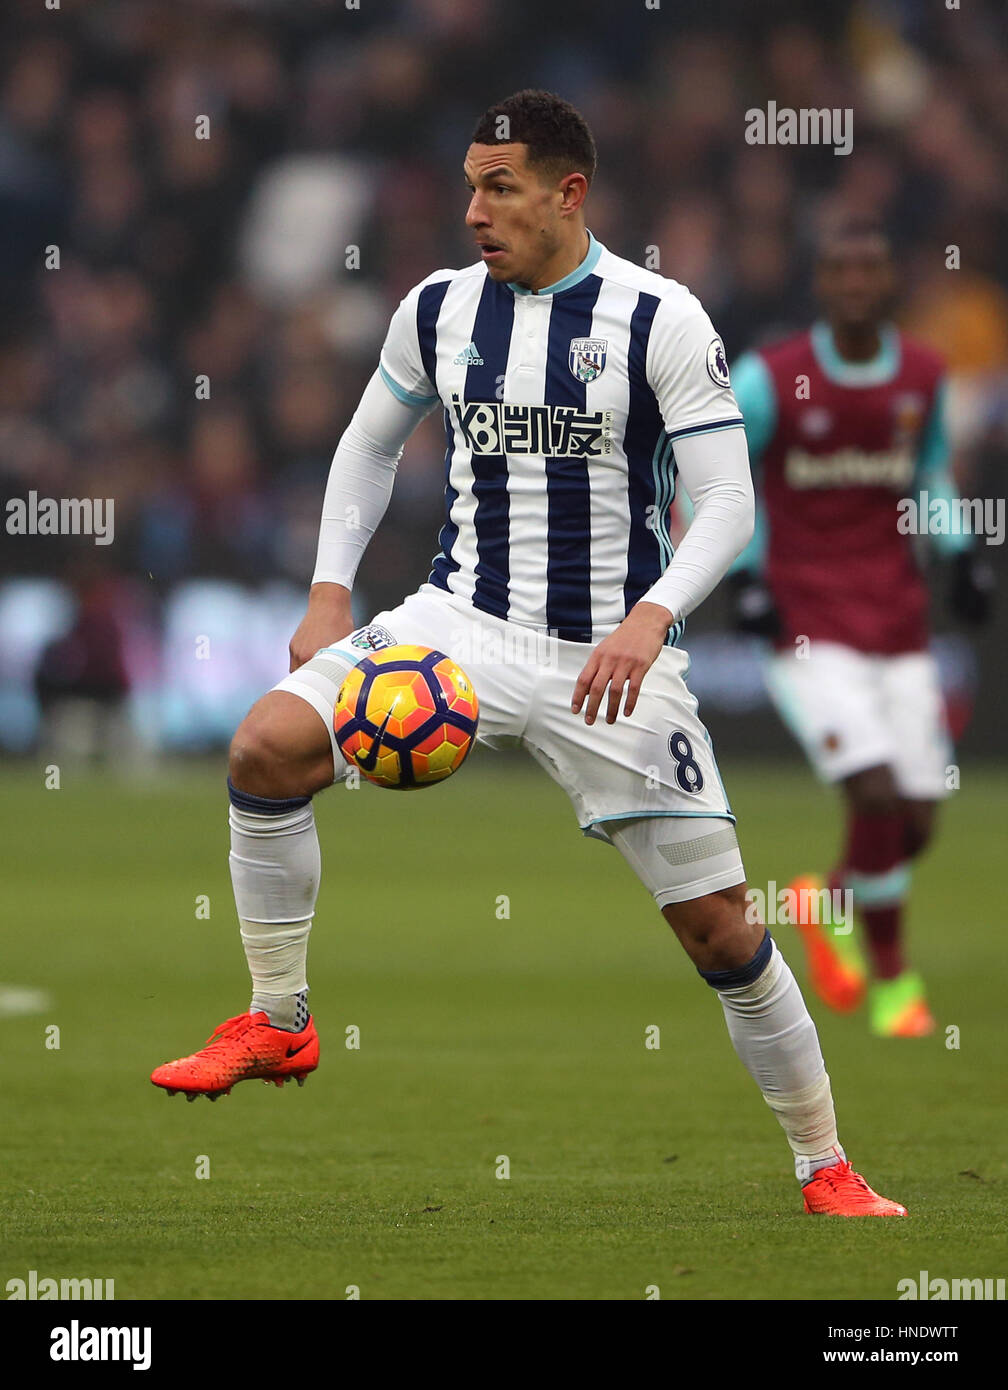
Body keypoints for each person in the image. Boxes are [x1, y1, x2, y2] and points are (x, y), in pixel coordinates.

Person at [152, 91, 906, 1216]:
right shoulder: (439, 309)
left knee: (721, 930)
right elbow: (366, 445)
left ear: (569, 192)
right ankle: (280, 1018)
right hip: (455, 624)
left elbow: (729, 504)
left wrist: (651, 619)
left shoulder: (661, 319)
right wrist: (327, 590)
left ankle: (826, 1162)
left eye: (499, 186)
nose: (474, 211)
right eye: (468, 184)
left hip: (610, 657)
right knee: (264, 746)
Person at [729, 222, 993, 1038]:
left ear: (890, 283)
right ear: (821, 283)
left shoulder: (922, 374)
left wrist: (959, 553)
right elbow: (721, 480)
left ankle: (827, 900)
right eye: (839, 268)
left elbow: (932, 472)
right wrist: (745, 575)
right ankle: (893, 984)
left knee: (915, 818)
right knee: (874, 792)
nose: (853, 282)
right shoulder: (771, 380)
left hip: (898, 621)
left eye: (868, 269)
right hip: (809, 625)